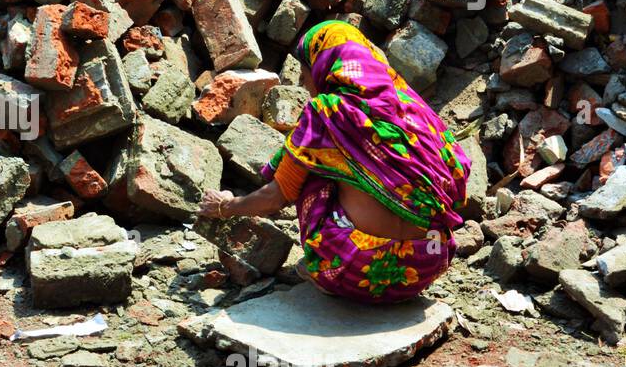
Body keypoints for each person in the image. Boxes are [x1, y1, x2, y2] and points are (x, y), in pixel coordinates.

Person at [197, 20, 469, 303]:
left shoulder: (329, 114)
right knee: (342, 164)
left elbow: (279, 196)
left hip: (361, 273)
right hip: (429, 263)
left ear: (326, 67)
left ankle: (328, 268)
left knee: (312, 166)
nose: (304, 83)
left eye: (305, 73)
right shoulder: (415, 112)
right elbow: (458, 179)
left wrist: (226, 207)